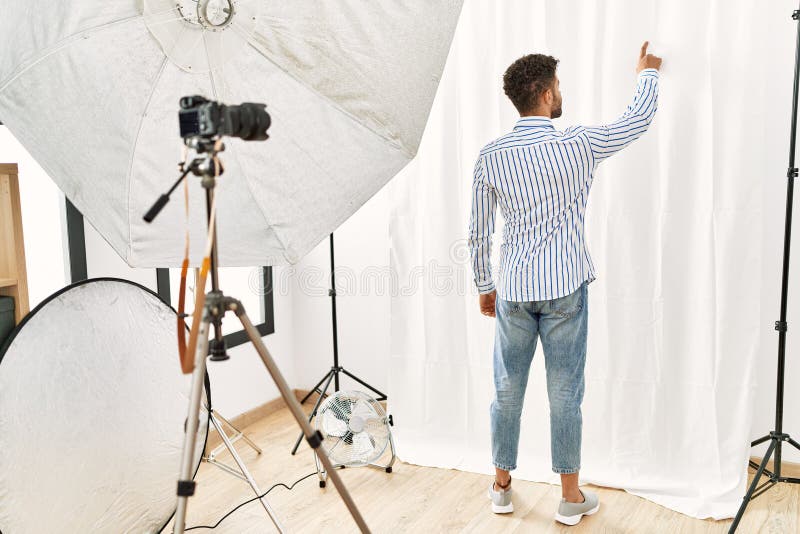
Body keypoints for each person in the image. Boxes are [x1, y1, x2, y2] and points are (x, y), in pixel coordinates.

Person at [467, 42, 662, 526]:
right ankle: (570, 499)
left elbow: (478, 232)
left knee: (506, 391)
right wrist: (647, 73)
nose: (561, 93)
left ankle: (501, 489)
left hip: (513, 291)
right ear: (545, 93)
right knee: (565, 394)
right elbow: (635, 122)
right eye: (558, 86)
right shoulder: (577, 143)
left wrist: (485, 285)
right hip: (565, 289)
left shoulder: (490, 156)